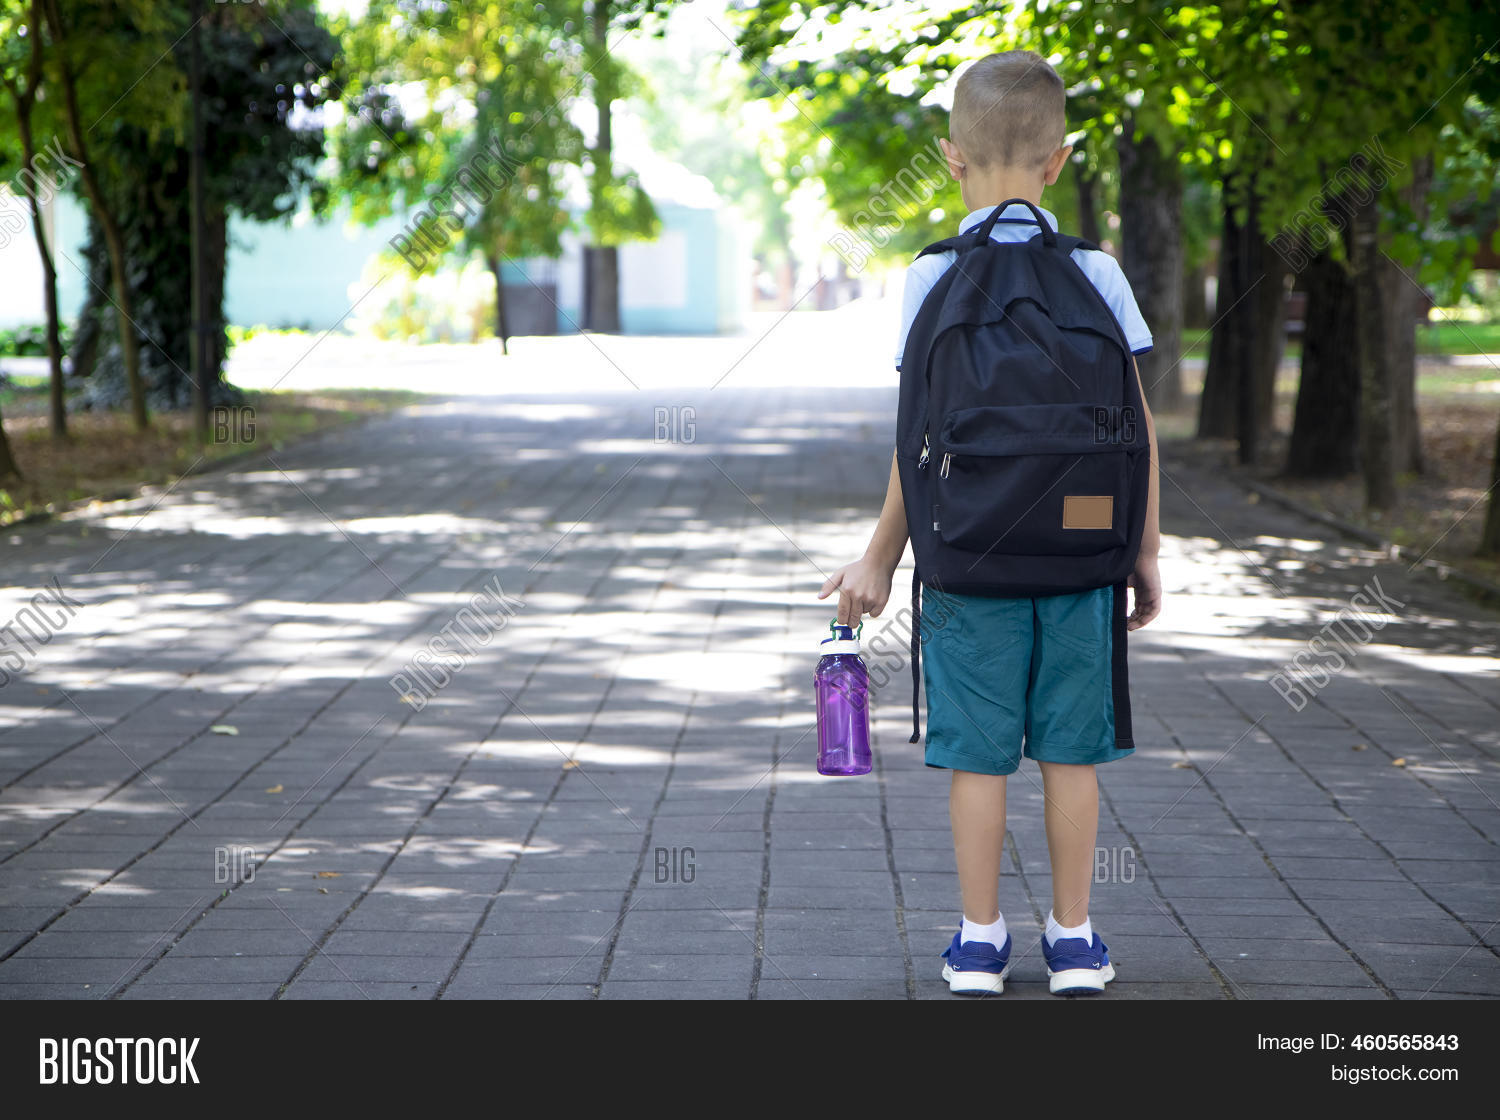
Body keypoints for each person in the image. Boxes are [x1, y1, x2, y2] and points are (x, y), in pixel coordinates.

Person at [818, 50, 1163, 996]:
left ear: (951, 156)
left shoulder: (931, 277)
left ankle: (978, 940)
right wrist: (1142, 552)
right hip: (1084, 556)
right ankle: (1074, 940)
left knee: (977, 756)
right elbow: (1136, 431)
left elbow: (916, 438)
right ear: (1060, 161)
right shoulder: (1097, 272)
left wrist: (879, 560)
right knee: (1072, 752)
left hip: (967, 561)